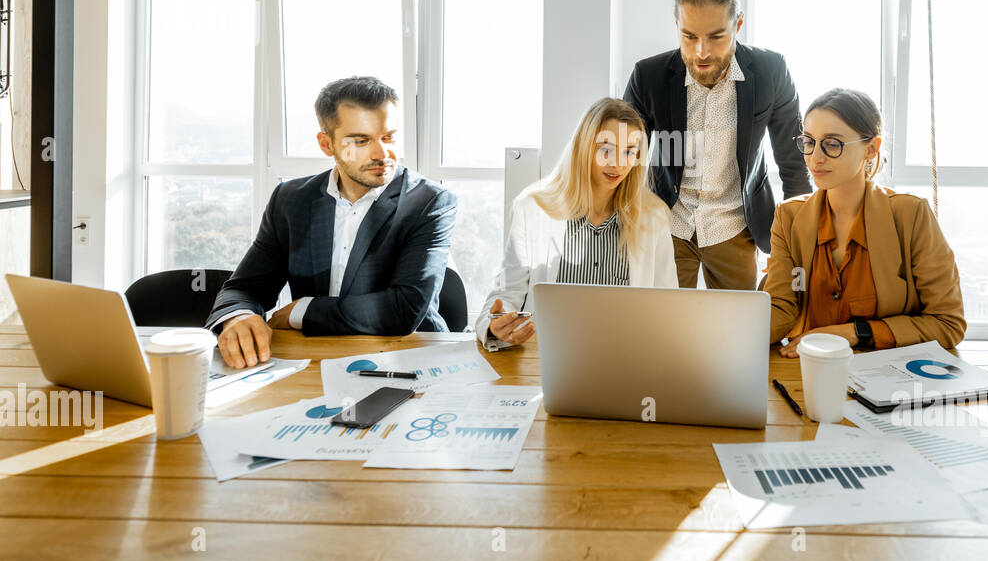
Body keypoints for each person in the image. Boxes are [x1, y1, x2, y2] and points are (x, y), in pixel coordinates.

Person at [206, 76, 458, 367]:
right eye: (361, 141)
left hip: (407, 360)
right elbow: (244, 287)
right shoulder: (291, 199)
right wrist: (239, 316)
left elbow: (403, 310)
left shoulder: (429, 202)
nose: (381, 154)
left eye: (388, 137)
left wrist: (304, 310)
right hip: (312, 359)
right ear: (327, 144)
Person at [623, 0, 811, 291]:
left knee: (736, 333)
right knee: (661, 329)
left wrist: (799, 250)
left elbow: (793, 167)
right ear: (677, 26)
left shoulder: (772, 73)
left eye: (716, 36)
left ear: (737, 24)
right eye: (689, 36)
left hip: (737, 226)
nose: (701, 52)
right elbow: (619, 163)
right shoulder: (647, 77)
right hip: (668, 225)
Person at [764, 88, 965, 356]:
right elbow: (781, 307)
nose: (815, 157)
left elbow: (948, 324)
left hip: (890, 375)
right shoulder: (788, 217)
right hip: (810, 371)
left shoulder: (910, 214)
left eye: (832, 144)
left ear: (871, 149)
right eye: (809, 141)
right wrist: (729, 336)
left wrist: (853, 333)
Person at [475, 97, 676, 351]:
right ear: (584, 147)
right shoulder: (534, 209)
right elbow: (505, 294)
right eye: (607, 149)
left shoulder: (653, 218)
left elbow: (669, 309)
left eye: (629, 151)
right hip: (549, 358)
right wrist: (495, 326)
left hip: (628, 359)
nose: (618, 163)